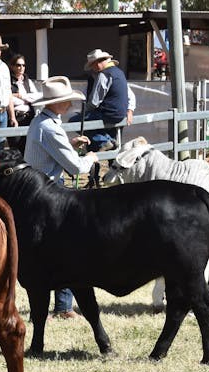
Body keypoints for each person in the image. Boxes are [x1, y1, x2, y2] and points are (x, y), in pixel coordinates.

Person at [24, 76, 99, 320]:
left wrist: (70, 144)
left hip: (41, 192)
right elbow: (76, 168)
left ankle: (60, 305)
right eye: (66, 100)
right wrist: (91, 159)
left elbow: (52, 153)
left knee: (55, 248)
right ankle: (63, 306)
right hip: (47, 194)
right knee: (65, 247)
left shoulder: (41, 122)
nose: (70, 104)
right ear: (56, 103)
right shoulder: (49, 127)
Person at [69, 49, 134, 152]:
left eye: (92, 66)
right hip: (120, 114)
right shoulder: (119, 73)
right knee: (89, 124)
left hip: (108, 113)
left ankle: (104, 141)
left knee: (74, 122)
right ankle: (109, 142)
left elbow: (94, 102)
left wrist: (85, 113)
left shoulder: (104, 74)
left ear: (97, 63)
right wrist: (129, 110)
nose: (93, 69)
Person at [8, 54, 41, 151]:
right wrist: (26, 98)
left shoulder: (27, 81)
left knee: (29, 146)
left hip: (29, 116)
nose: (21, 67)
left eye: (23, 65)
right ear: (12, 66)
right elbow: (9, 99)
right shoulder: (8, 81)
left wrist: (20, 96)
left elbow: (37, 97)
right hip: (16, 116)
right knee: (16, 146)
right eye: (18, 65)